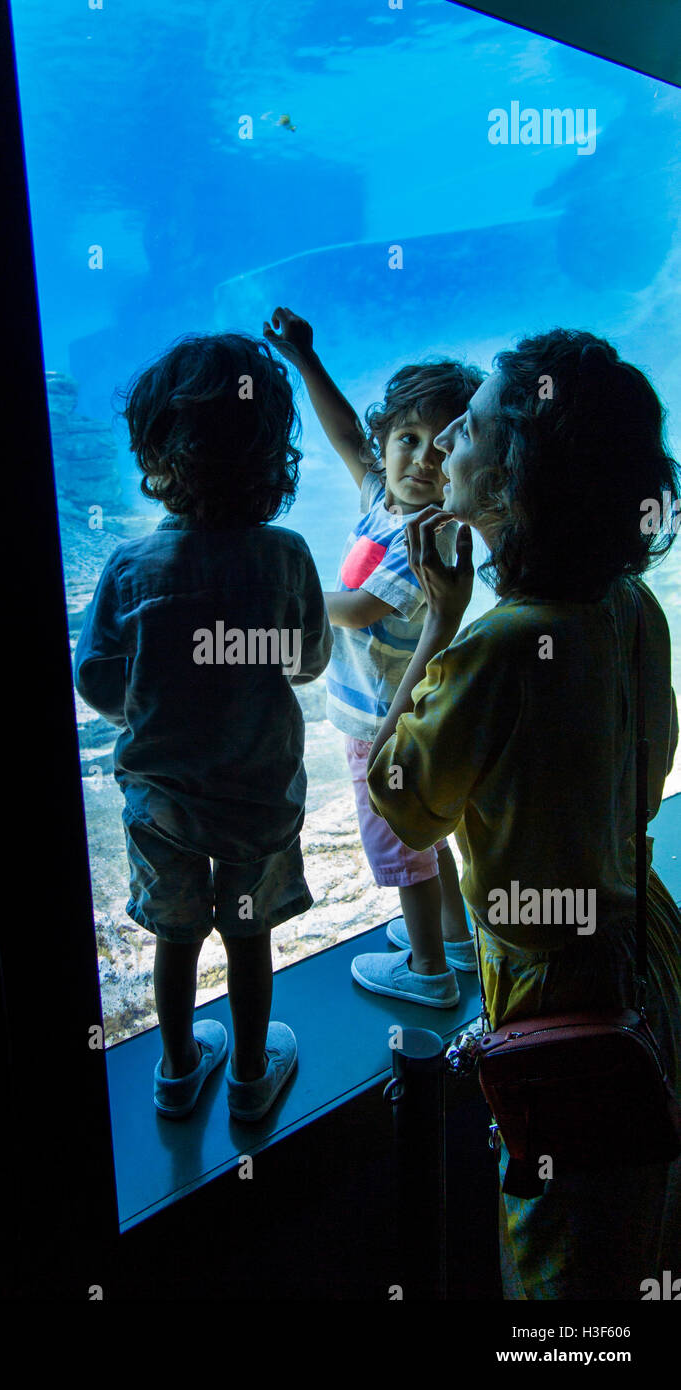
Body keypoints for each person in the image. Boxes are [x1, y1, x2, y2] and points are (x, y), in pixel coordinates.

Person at [365, 327, 681, 1299]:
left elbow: (399, 802)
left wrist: (440, 622)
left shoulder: (498, 650)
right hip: (647, 951)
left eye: (469, 427)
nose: (443, 439)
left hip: (554, 1005)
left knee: (564, 1265)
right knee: (641, 1228)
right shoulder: (631, 604)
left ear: (512, 480)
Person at [74, 333, 332, 1122]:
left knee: (176, 933)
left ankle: (178, 1068)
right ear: (273, 455)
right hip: (256, 796)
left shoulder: (129, 566)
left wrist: (153, 703)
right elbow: (308, 662)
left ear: (156, 452)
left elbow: (95, 679)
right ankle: (251, 1076)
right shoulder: (284, 556)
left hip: (162, 801)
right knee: (248, 933)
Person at [264, 306, 483, 1006]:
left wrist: (284, 589)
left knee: (397, 844)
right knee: (424, 831)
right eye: (407, 439)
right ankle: (455, 939)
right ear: (385, 442)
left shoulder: (428, 533)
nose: (421, 460)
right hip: (395, 712)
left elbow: (360, 609)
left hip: (381, 724)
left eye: (442, 448)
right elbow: (343, 434)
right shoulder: (382, 502)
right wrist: (305, 359)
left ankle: (428, 972)